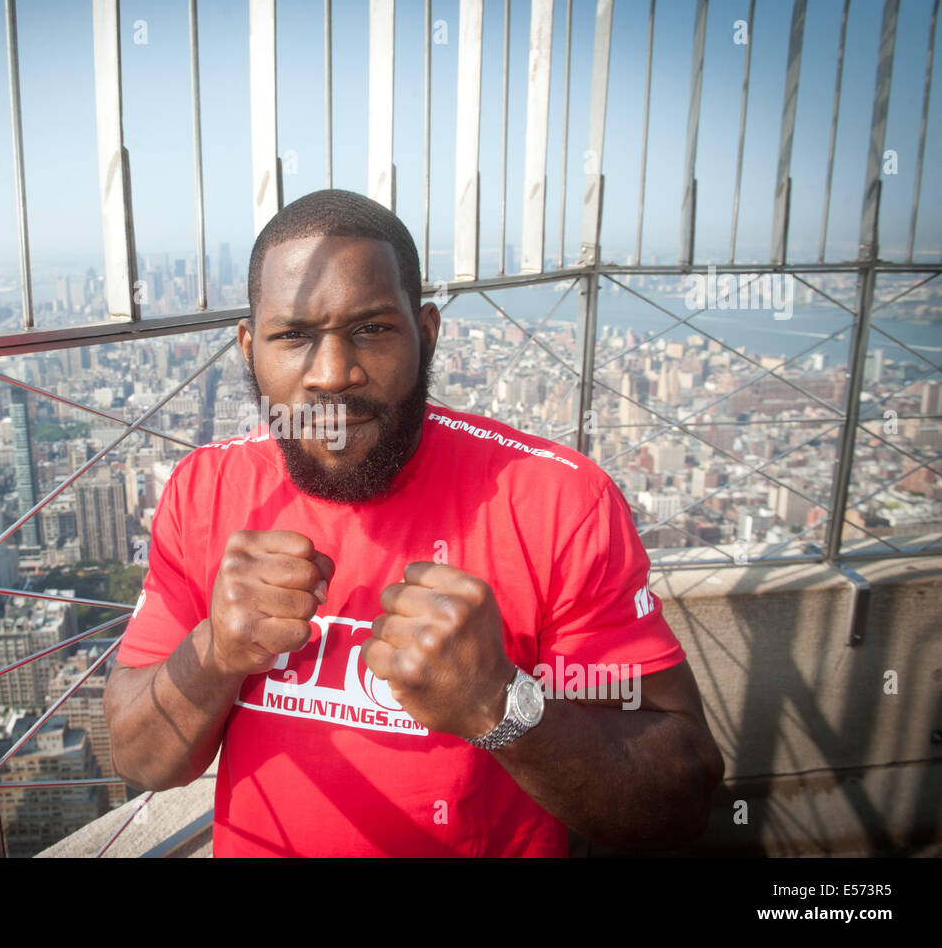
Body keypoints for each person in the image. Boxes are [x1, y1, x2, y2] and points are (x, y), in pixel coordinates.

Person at [103, 189, 724, 857]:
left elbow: (682, 800)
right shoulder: (206, 489)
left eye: (372, 328)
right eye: (294, 336)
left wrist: (502, 704)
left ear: (425, 334)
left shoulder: (554, 501)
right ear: (249, 348)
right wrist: (215, 652)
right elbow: (140, 759)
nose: (333, 374)